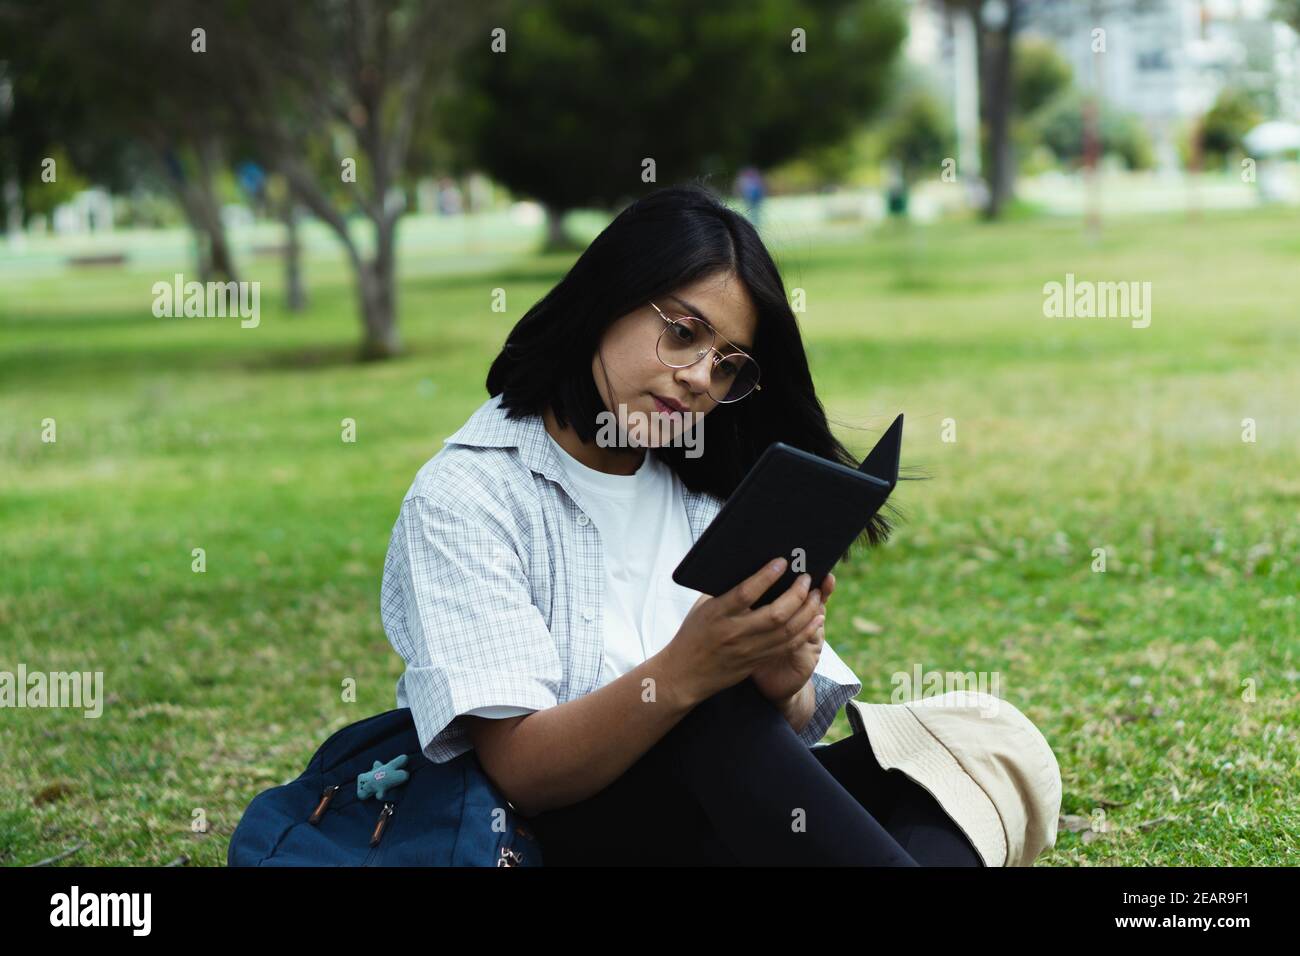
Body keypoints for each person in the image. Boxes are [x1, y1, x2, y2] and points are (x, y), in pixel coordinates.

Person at [379, 181, 985, 866]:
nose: (701, 377)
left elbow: (782, 743)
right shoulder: (469, 494)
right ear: (607, 301)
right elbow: (521, 775)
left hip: (713, 818)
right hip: (549, 841)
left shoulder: (707, 483)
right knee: (708, 715)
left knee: (954, 762)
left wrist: (781, 684)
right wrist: (685, 672)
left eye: (728, 364)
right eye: (682, 334)